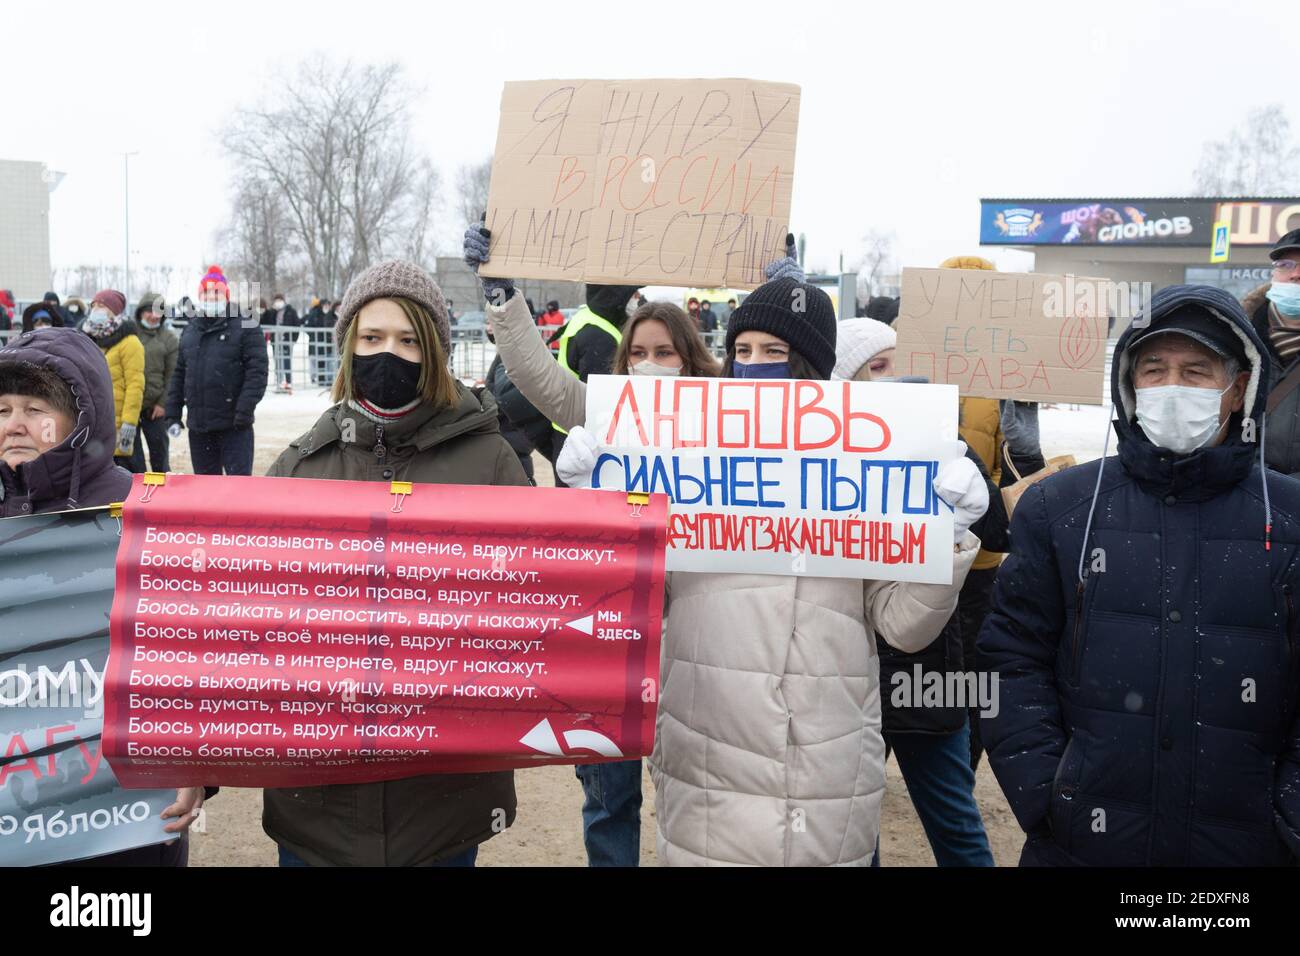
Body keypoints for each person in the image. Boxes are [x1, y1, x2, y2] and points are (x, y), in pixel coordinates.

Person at [477, 232, 988, 865]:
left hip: (828, 786)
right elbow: (635, 604)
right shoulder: (690, 457)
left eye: (776, 351)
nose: (756, 363)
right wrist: (604, 513)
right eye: (743, 349)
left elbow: (906, 629)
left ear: (813, 368)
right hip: (707, 773)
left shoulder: (862, 467)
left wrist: (948, 535)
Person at [980, 284, 1300, 866]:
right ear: (1130, 389)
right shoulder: (1061, 508)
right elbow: (1010, 658)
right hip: (1083, 846)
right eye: (1154, 369)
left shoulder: (1292, 518)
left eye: (1197, 371)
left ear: (1237, 392)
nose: (1171, 387)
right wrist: (1048, 790)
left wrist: (1287, 818)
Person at [464, 229, 719, 867]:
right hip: (611, 632)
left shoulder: (727, 421)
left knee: (699, 792)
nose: (652, 362)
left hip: (698, 636)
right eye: (640, 352)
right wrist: (501, 295)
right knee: (610, 797)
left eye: (666, 351)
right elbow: (533, 373)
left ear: (689, 359)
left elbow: (796, 397)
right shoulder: (600, 412)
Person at [261, 259, 528, 867]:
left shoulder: (490, 461)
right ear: (348, 343)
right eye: (372, 338)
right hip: (317, 803)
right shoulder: (300, 467)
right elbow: (247, 626)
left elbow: (534, 599)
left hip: (442, 800)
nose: (389, 355)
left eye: (409, 340)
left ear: (433, 350)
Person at [0, 326, 209, 863]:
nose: (15, 424)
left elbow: (194, 657)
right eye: (2, 410)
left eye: (35, 407)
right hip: (15, 815)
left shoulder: (141, 515)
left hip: (121, 818)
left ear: (79, 416)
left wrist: (195, 769)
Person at [832, 318, 1002, 867]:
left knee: (953, 816)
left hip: (928, 669)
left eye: (903, 365)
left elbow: (999, 532)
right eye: (877, 369)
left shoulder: (941, 447)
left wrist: (965, 480)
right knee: (852, 824)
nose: (896, 379)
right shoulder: (814, 464)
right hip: (847, 671)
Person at [164, 265, 268, 476]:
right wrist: (172, 413)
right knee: (205, 494)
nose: (211, 297)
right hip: (199, 428)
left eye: (217, 292)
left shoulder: (246, 325)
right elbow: (179, 375)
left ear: (226, 295)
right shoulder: (191, 330)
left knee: (238, 493)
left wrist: (244, 410)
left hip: (235, 428)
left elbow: (257, 372)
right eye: (206, 292)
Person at [1242, 228, 1300, 478]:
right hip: (1247, 495)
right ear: (1274, 273)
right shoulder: (1237, 339)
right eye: (1286, 265)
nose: (1296, 275)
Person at [80, 290, 145, 468]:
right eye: (94, 305)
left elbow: (135, 385)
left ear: (114, 310)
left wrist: (129, 423)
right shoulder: (85, 338)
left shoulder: (129, 342)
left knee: (126, 477)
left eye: (102, 306)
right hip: (93, 424)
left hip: (118, 423)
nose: (96, 309)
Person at [130, 292, 178, 473]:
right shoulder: (129, 333)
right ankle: (136, 493)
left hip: (155, 408)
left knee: (160, 454)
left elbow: (172, 375)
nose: (152, 316)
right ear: (141, 312)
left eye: (157, 311)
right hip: (131, 406)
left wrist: (163, 403)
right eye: (148, 311)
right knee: (131, 458)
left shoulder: (169, 338)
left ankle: (163, 495)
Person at [263, 293, 301, 393]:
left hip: (287, 340)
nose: (278, 303)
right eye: (276, 301)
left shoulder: (291, 311)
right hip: (276, 341)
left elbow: (297, 325)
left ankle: (288, 382)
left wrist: (293, 340)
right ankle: (279, 382)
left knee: (286, 361)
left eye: (279, 300)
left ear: (283, 301)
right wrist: (270, 311)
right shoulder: (272, 312)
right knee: (277, 361)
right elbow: (266, 322)